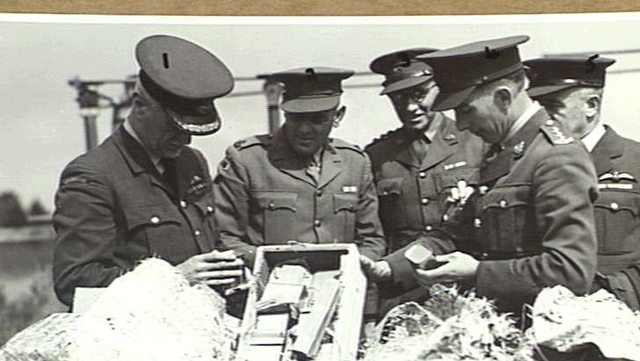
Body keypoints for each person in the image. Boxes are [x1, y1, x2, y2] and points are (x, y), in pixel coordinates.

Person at [361, 36, 598, 314]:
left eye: (466, 110)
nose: (461, 124)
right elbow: (454, 235)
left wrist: (477, 272)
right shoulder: (501, 152)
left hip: (539, 330)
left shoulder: (556, 157)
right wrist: (390, 267)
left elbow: (571, 271)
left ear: (503, 98)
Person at [53, 35, 243, 308]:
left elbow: (210, 242)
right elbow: (74, 283)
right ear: (140, 105)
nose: (185, 140)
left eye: (190, 131)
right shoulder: (92, 176)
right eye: (173, 128)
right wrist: (175, 278)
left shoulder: (192, 161)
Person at [213, 66, 385, 274]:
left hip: (342, 287)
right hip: (269, 292)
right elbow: (224, 237)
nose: (304, 130)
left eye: (317, 120)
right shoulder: (247, 160)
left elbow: (371, 239)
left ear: (338, 116)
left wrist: (360, 264)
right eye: (296, 118)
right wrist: (269, 265)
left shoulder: (355, 163)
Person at [363, 48, 485, 309]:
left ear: (439, 88)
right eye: (398, 98)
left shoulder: (476, 142)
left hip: (466, 287)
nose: (409, 107)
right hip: (402, 290)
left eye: (419, 94)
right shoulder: (377, 156)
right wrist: (371, 313)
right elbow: (373, 236)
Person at [526, 55, 640, 311]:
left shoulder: (636, 162)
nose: (542, 118)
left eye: (552, 106)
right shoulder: (526, 164)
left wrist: (615, 291)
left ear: (591, 104)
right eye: (536, 106)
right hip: (542, 310)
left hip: (622, 314)